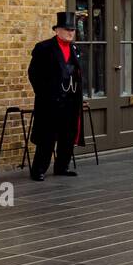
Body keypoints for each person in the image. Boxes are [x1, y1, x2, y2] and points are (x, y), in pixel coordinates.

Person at [28, 10, 84, 180]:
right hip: (50, 102)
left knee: (67, 136)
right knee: (47, 137)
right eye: (67, 29)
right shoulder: (44, 48)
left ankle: (62, 167)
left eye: (72, 30)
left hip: (71, 100)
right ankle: (38, 170)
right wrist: (44, 94)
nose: (70, 32)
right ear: (57, 30)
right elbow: (33, 73)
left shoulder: (75, 48)